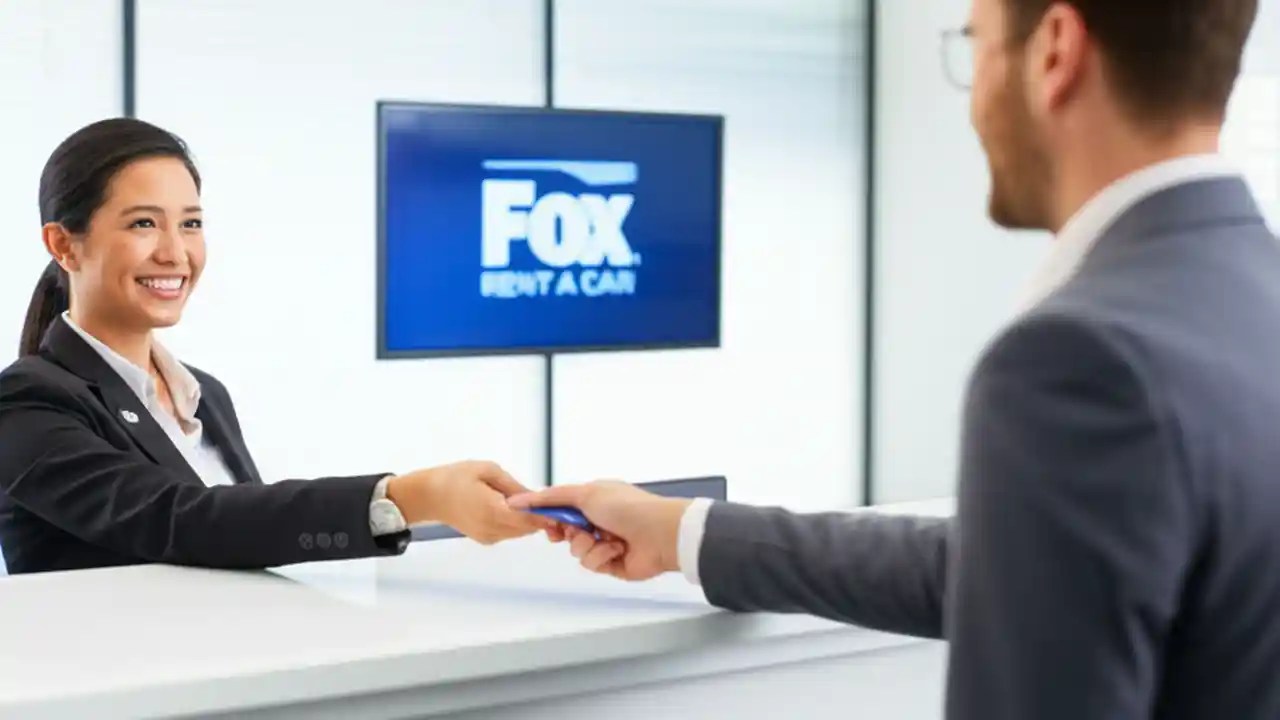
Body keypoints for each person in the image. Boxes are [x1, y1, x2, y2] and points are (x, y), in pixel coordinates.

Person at [513, 0, 1280, 717]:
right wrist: (685, 532)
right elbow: (1028, 572)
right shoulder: (1252, 295)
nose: (974, 98)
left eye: (975, 47)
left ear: (1054, 50)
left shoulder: (1077, 359)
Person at [0, 118, 550, 575]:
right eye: (144, 223)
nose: (175, 252)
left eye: (191, 224)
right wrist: (408, 496)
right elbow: (184, 520)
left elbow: (245, 539)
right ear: (63, 245)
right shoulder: (27, 402)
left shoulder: (203, 394)